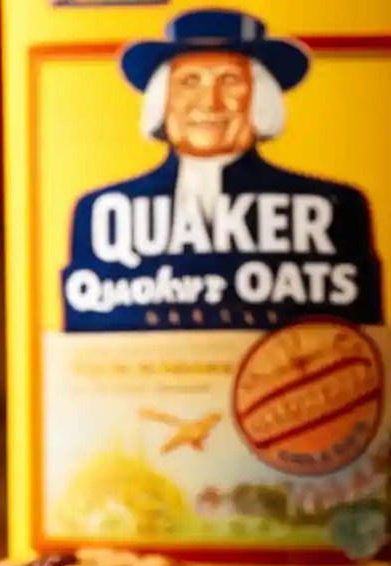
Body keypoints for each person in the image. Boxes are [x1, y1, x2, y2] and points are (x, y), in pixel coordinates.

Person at [62, 9, 379, 332]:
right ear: (163, 99)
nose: (210, 102)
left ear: (259, 97)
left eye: (230, 80)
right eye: (189, 81)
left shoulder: (335, 207)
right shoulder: (102, 212)